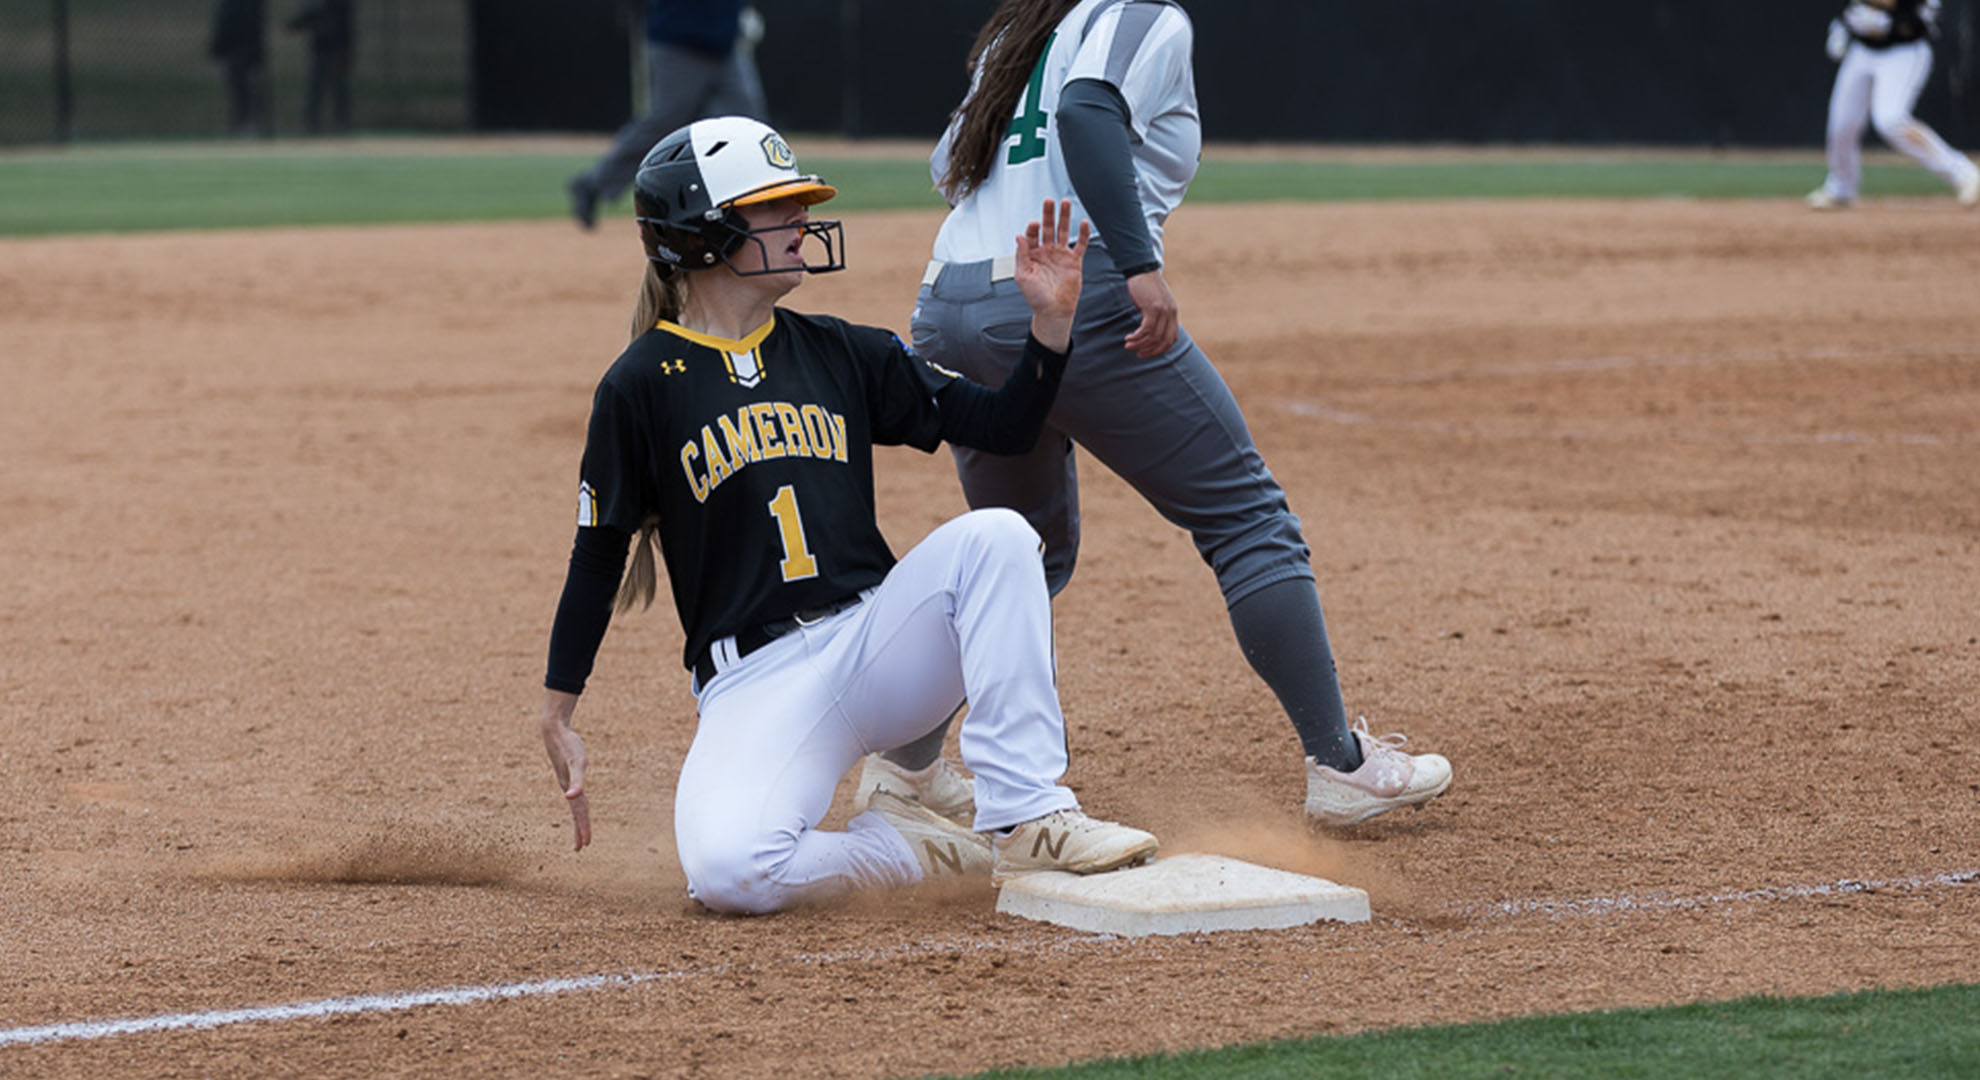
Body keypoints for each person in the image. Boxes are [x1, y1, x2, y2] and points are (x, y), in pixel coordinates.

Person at [855, 0, 1454, 830]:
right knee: (1247, 517)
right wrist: (1139, 265)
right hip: (1071, 289)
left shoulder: (1018, 32)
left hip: (949, 302)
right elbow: (1086, 111)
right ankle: (1339, 763)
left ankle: (905, 769)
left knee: (1018, 555)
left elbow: (950, 163)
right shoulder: (1142, 15)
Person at [537, 115, 1159, 914]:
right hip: (753, 684)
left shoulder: (839, 350)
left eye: (799, 204)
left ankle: (1029, 811)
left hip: (874, 644)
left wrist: (1051, 328)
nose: (802, 221)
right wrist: (560, 709)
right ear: (702, 233)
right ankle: (916, 847)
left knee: (998, 536)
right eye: (775, 206)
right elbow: (599, 554)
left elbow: (1004, 427)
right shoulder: (641, 383)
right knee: (730, 873)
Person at [565, 0, 769, 230]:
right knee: (665, 122)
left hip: (725, 45)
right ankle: (594, 184)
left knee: (748, 123)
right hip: (677, 42)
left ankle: (748, 203)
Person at [1808, 0, 1980, 209]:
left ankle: (1965, 174)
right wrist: (1844, 24)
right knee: (1842, 125)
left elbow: (1898, 7)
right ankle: (1841, 188)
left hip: (1904, 51)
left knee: (1890, 120)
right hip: (1862, 51)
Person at [287, 0, 355, 135]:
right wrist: (295, 25)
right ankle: (312, 125)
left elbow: (345, 25)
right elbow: (310, 15)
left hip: (337, 49)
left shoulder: (341, 4)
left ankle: (341, 124)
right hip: (320, 49)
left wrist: (345, 51)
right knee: (315, 89)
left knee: (338, 89)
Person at [208, 0, 271, 138]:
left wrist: (218, 46)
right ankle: (245, 125)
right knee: (243, 91)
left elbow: (229, 20)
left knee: (246, 91)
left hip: (241, 49)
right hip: (242, 49)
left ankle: (249, 126)